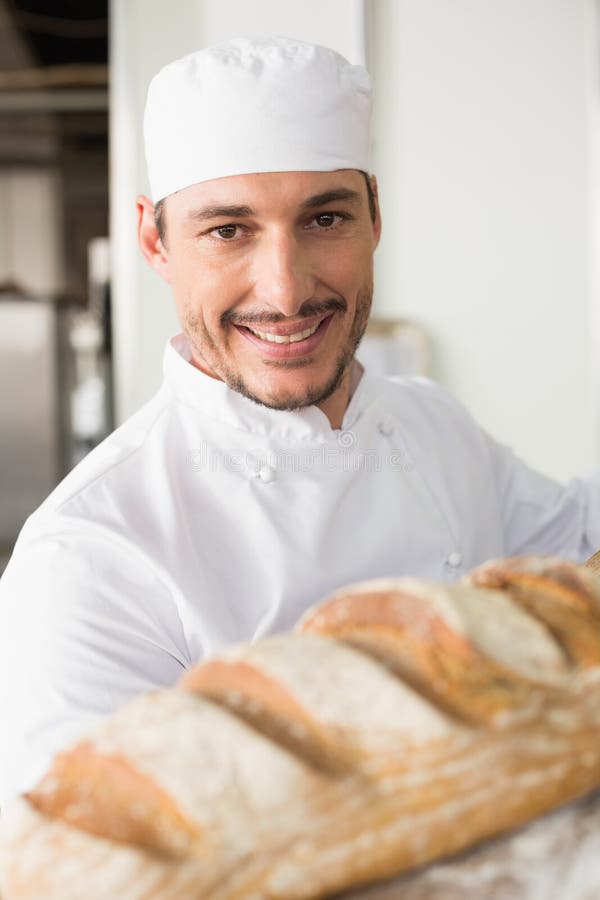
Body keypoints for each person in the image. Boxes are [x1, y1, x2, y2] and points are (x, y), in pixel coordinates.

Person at [0, 35, 599, 809]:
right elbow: (76, 858)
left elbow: (572, 549)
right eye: (228, 230)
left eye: (324, 219)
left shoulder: (429, 422)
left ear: (374, 216)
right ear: (155, 240)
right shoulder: (89, 557)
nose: (285, 291)